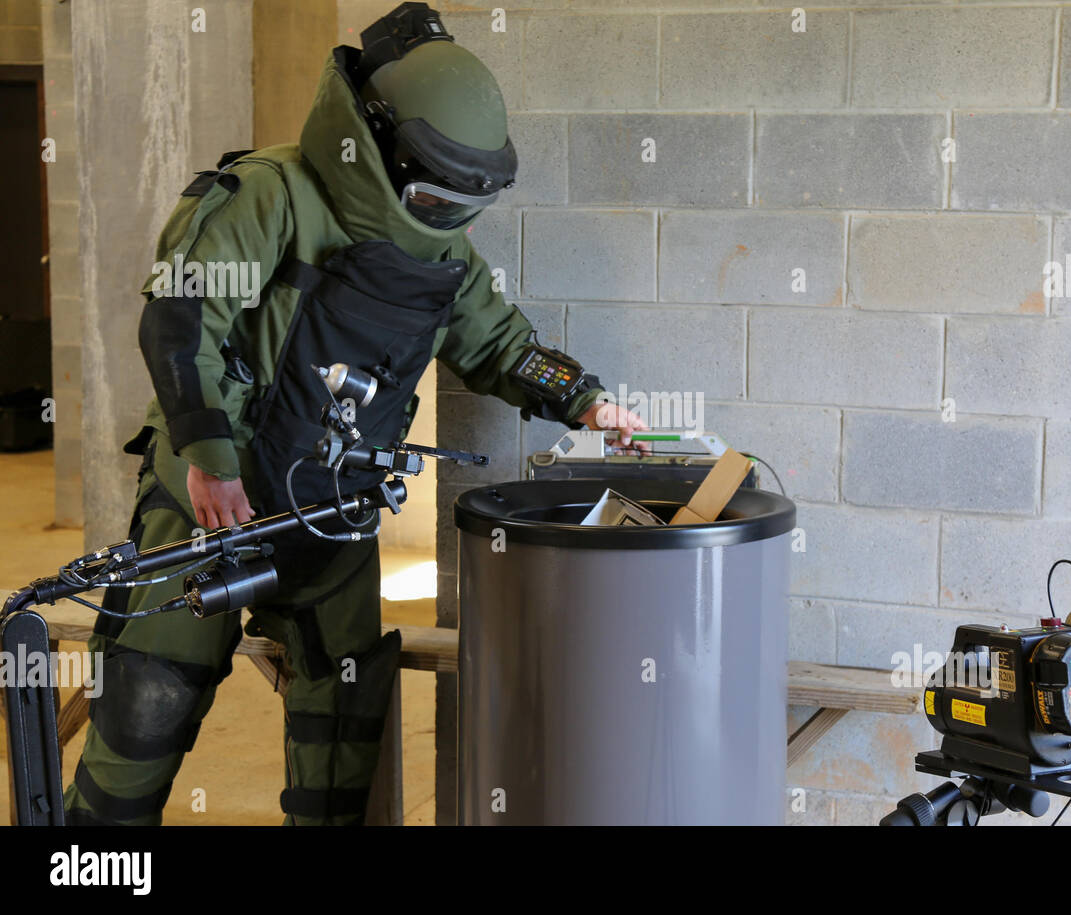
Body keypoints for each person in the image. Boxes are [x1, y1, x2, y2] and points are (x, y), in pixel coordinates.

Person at [63, 2, 645, 825]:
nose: (441, 215)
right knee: (150, 691)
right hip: (212, 500)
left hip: (331, 514)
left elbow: (500, 345)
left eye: (456, 202)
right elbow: (181, 318)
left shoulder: (444, 254)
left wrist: (585, 400)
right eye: (430, 194)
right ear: (381, 142)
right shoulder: (271, 195)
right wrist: (209, 458)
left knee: (343, 714)